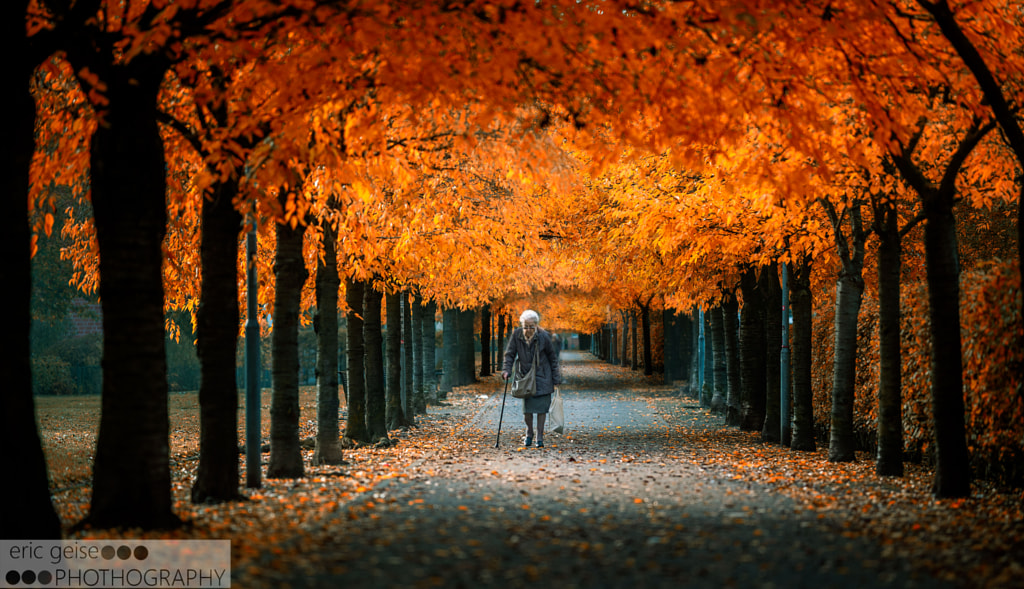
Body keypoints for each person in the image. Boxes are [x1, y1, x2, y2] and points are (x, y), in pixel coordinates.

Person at [502, 310, 561, 448]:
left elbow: (553, 358)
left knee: (541, 409)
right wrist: (506, 370)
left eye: (531, 326)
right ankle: (529, 432)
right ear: (522, 325)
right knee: (527, 410)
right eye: (526, 326)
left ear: (536, 325)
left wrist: (556, 378)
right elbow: (510, 354)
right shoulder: (517, 335)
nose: (528, 329)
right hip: (526, 378)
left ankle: (539, 436)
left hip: (543, 376)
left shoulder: (544, 337)